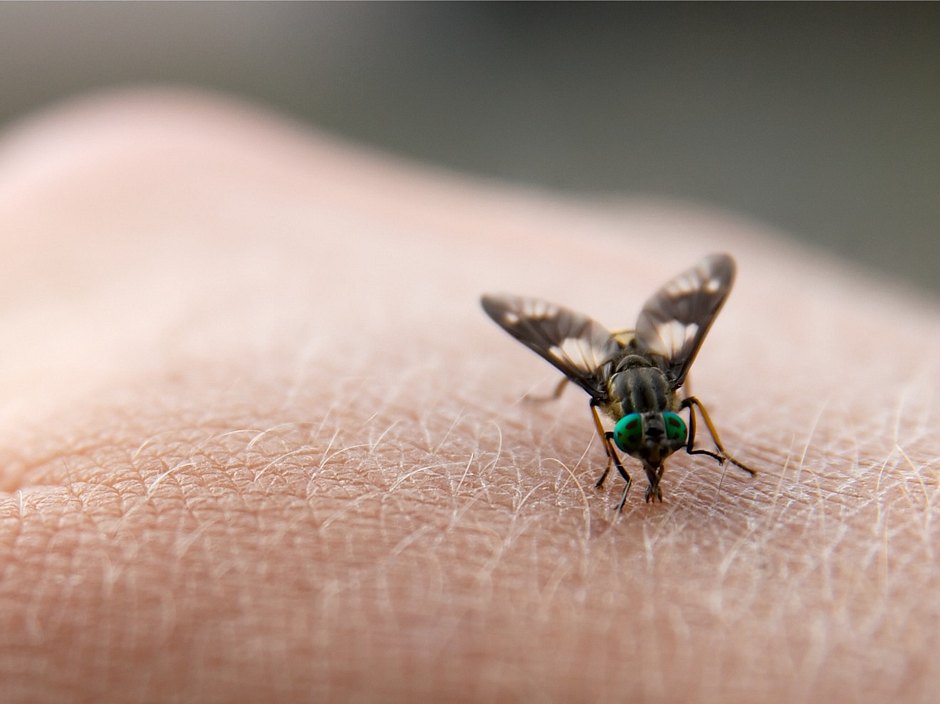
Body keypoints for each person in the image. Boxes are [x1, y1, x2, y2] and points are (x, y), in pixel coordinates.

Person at [0, 89, 935, 702]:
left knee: (674, 407)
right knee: (580, 376)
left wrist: (712, 450)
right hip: (613, 354)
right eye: (644, 435)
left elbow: (682, 392)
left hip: (646, 350)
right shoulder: (602, 390)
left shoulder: (674, 392)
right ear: (620, 418)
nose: (657, 436)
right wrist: (612, 454)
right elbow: (602, 391)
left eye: (653, 436)